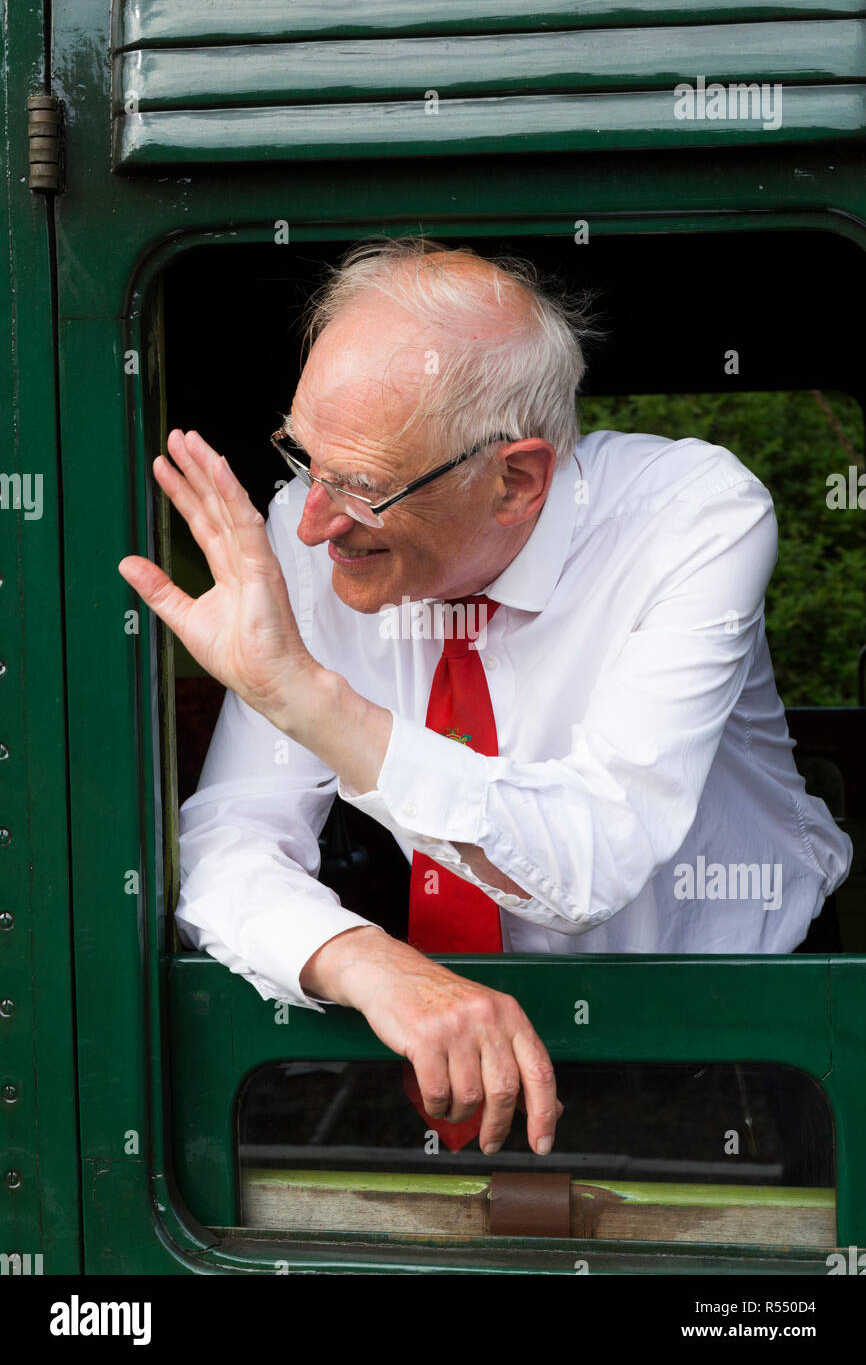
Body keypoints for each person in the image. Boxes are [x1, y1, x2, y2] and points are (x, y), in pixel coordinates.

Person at [118, 236, 853, 1159]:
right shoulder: (309, 531)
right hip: (441, 1028)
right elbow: (228, 842)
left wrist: (307, 699)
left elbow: (592, 861)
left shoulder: (693, 515)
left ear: (517, 480)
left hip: (732, 1036)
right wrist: (373, 965)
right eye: (305, 460)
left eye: (363, 486)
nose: (312, 522)